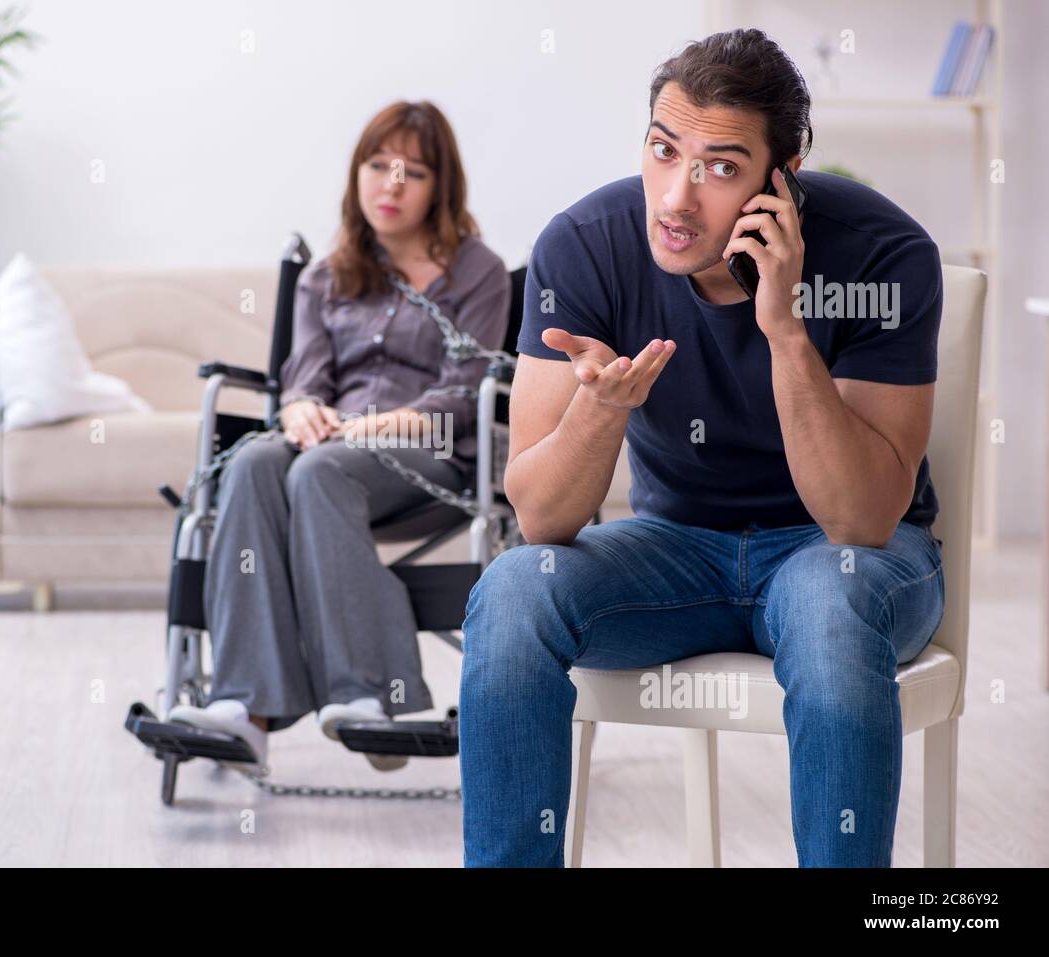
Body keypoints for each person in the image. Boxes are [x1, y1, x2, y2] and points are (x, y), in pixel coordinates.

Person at [460, 29, 945, 867]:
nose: (676, 198)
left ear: (779, 178)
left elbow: (863, 519)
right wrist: (599, 411)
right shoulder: (585, 243)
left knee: (831, 602)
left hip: (849, 556)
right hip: (675, 550)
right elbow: (541, 514)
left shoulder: (883, 252)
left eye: (720, 167)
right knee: (512, 590)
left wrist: (785, 329)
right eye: (662, 150)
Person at [170, 100, 511, 775]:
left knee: (318, 470)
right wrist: (298, 411)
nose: (392, 182)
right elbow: (304, 380)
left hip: (434, 451)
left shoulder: (478, 272)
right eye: (378, 165)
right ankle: (245, 708)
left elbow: (462, 397)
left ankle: (368, 694)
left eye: (413, 171)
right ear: (356, 175)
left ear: (441, 187)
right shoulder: (326, 277)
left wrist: (369, 426)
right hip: (330, 448)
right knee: (253, 462)